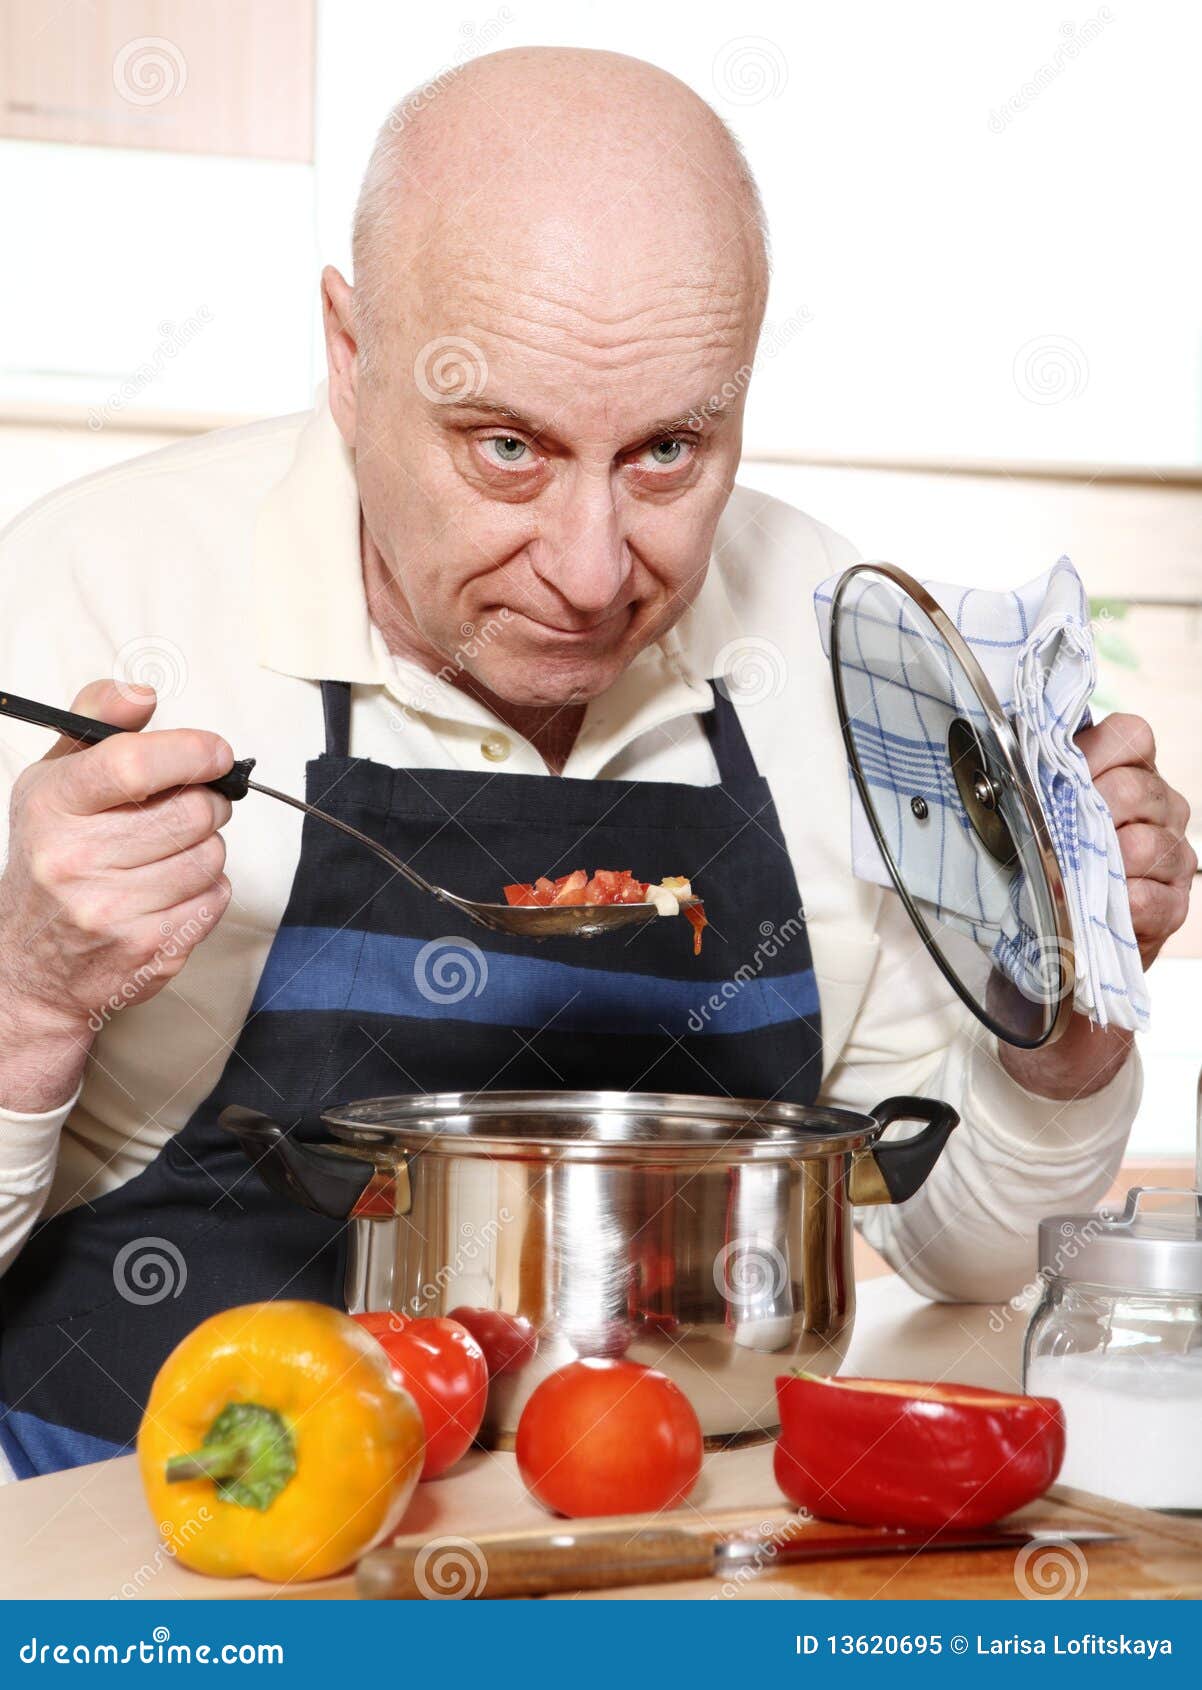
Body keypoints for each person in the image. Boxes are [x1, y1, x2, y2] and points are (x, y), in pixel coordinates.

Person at [0, 48, 1192, 1479]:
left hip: (684, 1554)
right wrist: (29, 994)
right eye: (506, 447)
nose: (588, 571)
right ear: (350, 354)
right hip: (156, 1540)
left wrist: (1058, 1026)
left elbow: (957, 1248)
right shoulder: (92, 597)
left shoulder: (830, 653)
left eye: (669, 452)